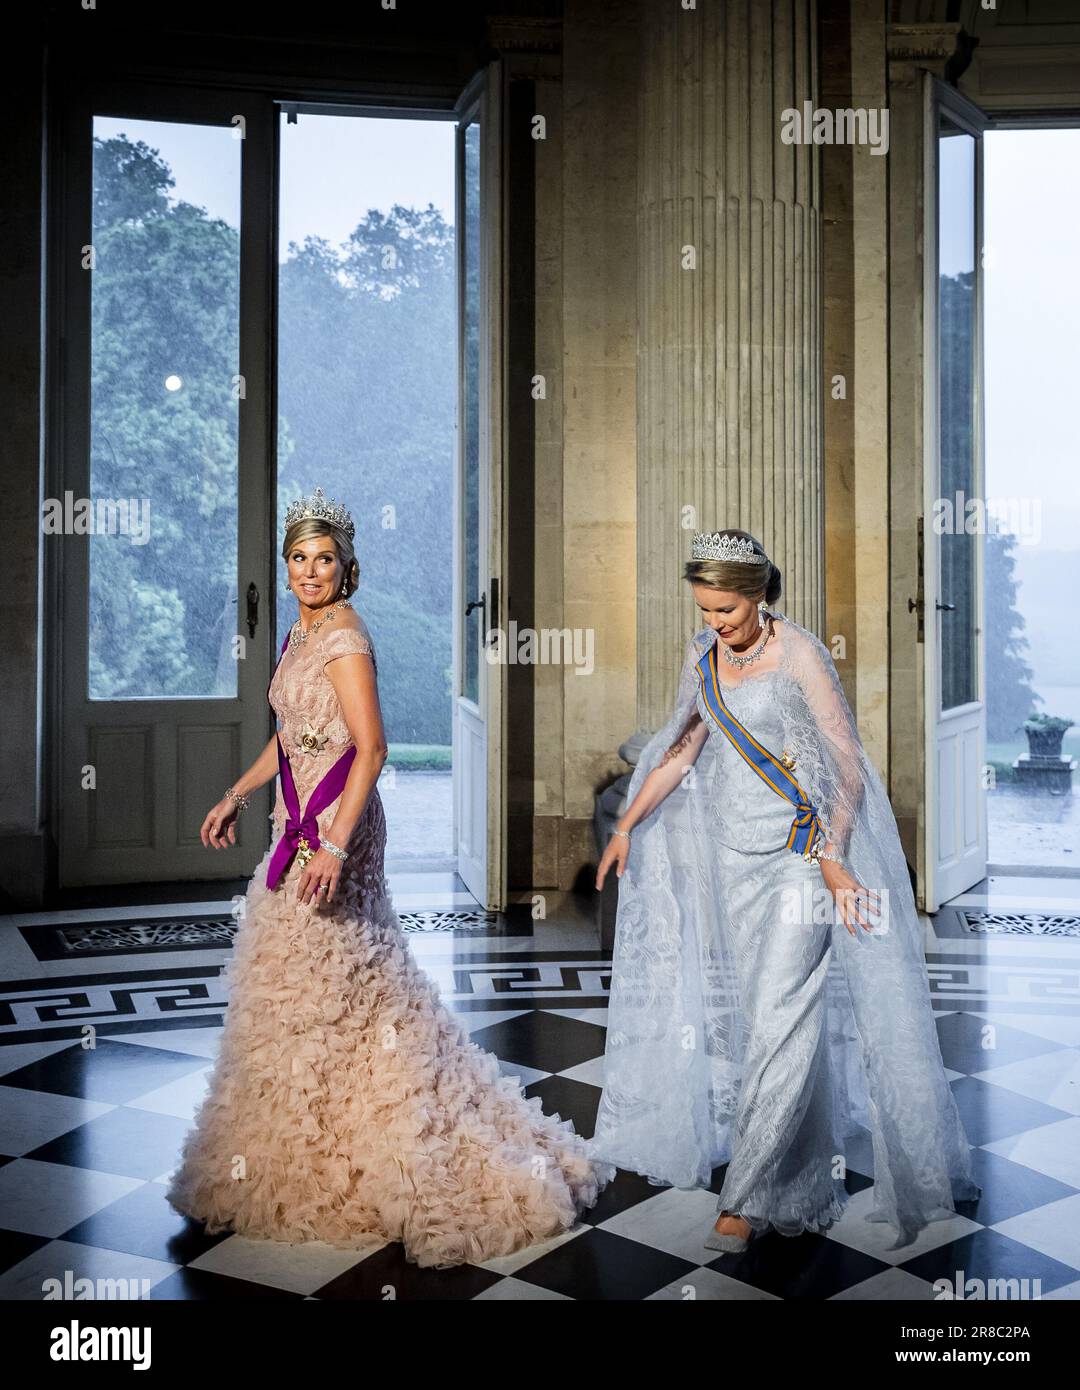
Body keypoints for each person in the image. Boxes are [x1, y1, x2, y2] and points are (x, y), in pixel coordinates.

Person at [167, 487, 609, 1268]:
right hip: (293, 824)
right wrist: (236, 793)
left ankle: (379, 1141)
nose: (311, 572)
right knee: (290, 977)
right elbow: (293, 738)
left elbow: (369, 750)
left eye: (325, 560)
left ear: (347, 567)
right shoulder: (300, 637)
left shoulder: (346, 640)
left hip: (342, 827)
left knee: (340, 974)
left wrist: (335, 848)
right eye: (300, 559)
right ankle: (289, 1146)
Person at [591, 527, 980, 1253]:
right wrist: (627, 826)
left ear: (759, 595)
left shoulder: (799, 653)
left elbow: (846, 765)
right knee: (770, 1024)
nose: (714, 626)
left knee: (777, 1018)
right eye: (704, 612)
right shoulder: (706, 656)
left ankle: (741, 1200)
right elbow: (680, 750)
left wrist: (832, 858)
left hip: (803, 856)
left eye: (726, 612)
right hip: (737, 863)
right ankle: (797, 1182)